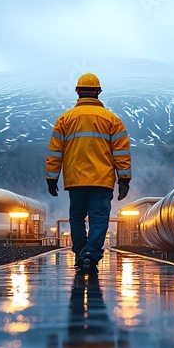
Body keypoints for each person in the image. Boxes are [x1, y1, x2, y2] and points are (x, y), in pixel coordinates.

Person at [46, 73, 132, 273]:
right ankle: (91, 255)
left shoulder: (65, 119)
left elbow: (55, 152)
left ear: (77, 91)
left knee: (76, 218)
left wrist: (52, 178)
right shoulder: (112, 120)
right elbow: (121, 152)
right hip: (102, 180)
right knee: (99, 219)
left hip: (75, 180)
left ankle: (80, 253)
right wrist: (124, 179)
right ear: (99, 92)